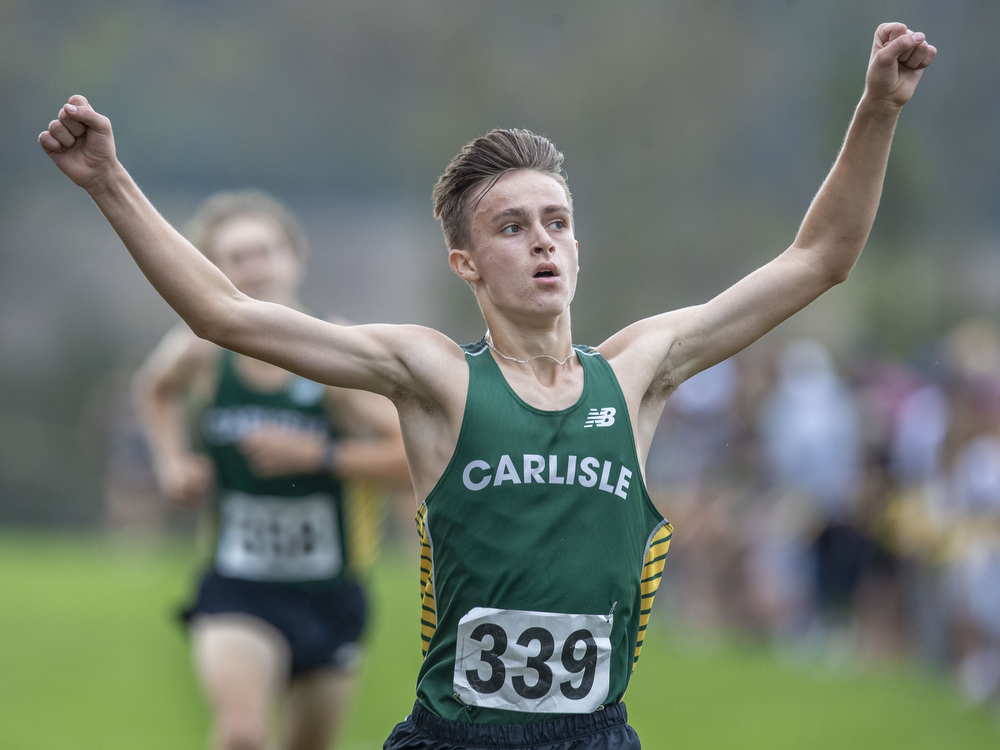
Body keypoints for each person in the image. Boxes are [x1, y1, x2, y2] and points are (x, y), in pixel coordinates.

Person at [40, 22, 935, 749]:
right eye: (514, 226)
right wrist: (109, 180)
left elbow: (820, 257)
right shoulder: (434, 377)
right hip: (457, 738)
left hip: (595, 736)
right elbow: (227, 315)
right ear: (466, 263)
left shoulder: (638, 373)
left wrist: (877, 109)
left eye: (558, 222)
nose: (544, 241)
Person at [132, 191, 410, 750]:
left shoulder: (336, 354)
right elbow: (154, 389)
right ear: (209, 270)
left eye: (264, 251)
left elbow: (414, 459)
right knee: (241, 735)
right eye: (235, 257)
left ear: (295, 259)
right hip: (239, 583)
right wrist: (172, 462)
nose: (253, 268)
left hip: (328, 590)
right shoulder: (203, 352)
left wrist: (321, 457)